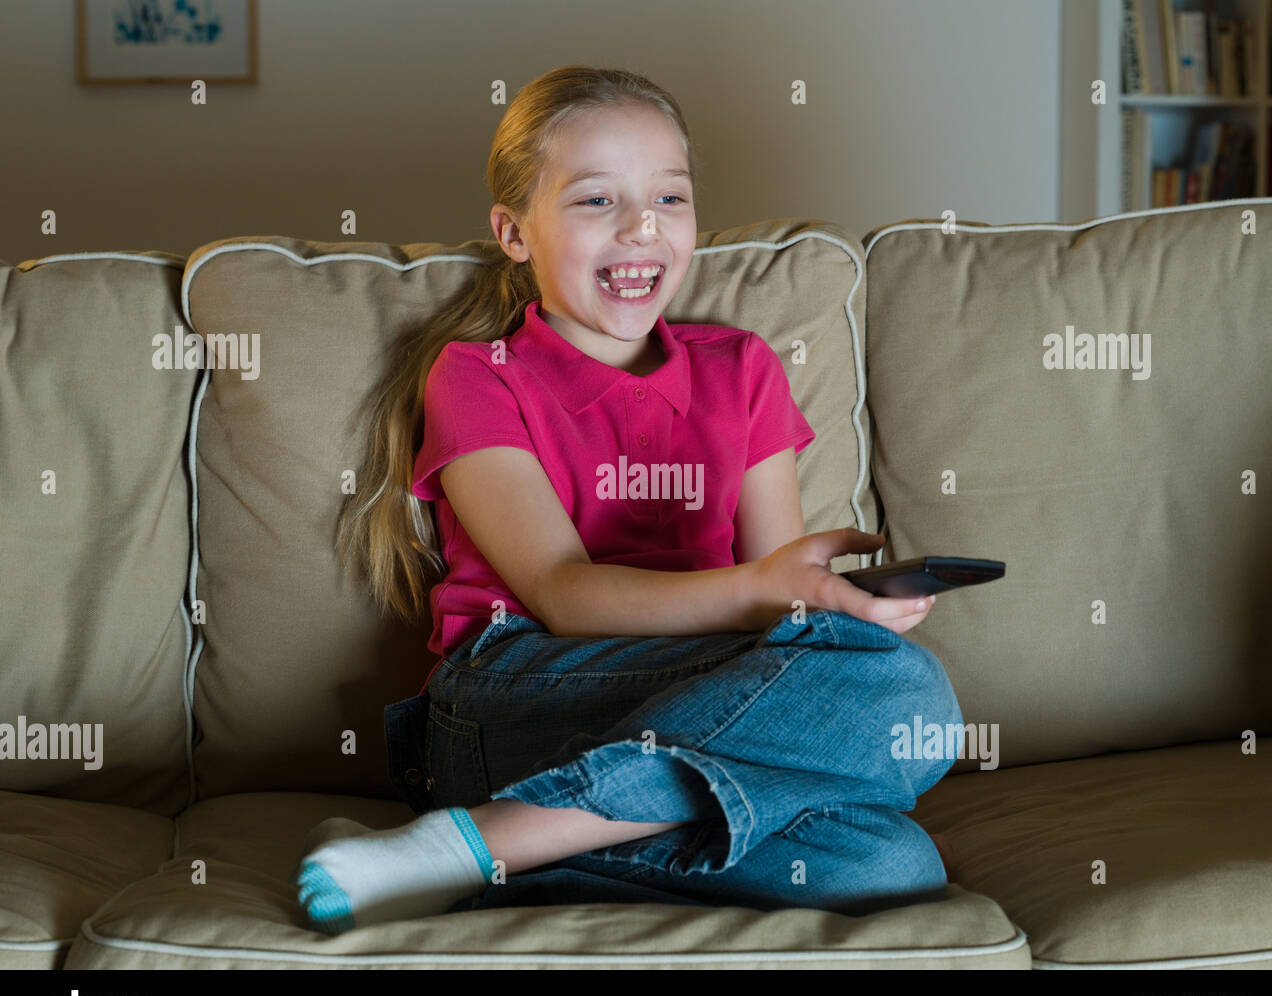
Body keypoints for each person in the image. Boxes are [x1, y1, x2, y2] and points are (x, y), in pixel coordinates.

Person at [293, 65, 960, 936]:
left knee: (891, 867)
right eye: (597, 201)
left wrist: (813, 601)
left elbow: (778, 618)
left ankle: (470, 860)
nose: (644, 227)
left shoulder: (742, 369)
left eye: (670, 198)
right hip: (515, 694)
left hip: (698, 698)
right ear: (514, 232)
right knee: (906, 690)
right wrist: (776, 591)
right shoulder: (478, 377)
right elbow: (565, 592)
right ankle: (479, 834)